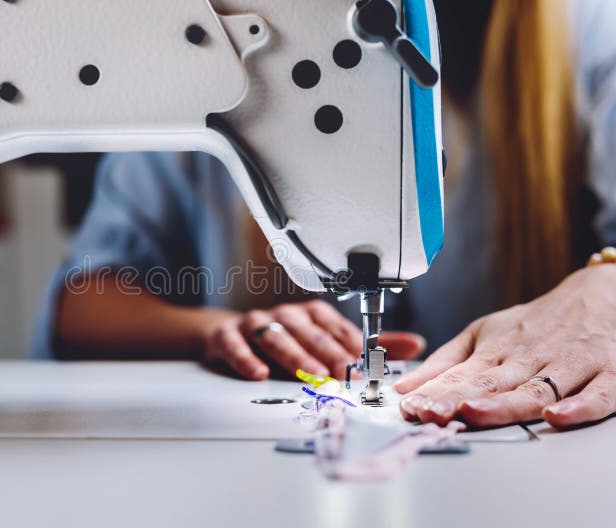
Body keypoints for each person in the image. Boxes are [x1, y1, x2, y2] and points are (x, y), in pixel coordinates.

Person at [33, 0, 616, 429]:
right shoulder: (208, 57)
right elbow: (86, 300)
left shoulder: (588, 36)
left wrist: (605, 288)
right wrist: (217, 332)